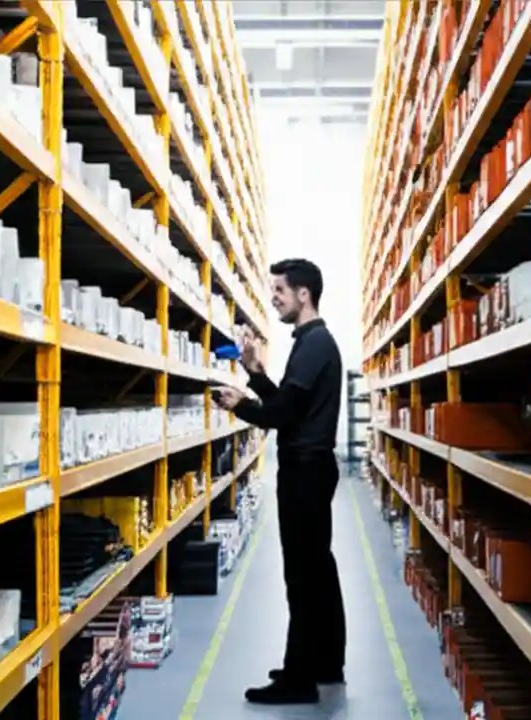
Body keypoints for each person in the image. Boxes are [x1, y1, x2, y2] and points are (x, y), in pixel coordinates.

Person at [213, 258, 346, 705]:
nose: (273, 297)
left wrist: (239, 404)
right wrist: (254, 373)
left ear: (303, 294)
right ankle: (325, 663)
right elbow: (288, 405)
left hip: (305, 471)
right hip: (309, 466)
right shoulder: (311, 342)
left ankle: (299, 679)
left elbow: (277, 415)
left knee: (303, 576)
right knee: (319, 571)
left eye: (279, 290)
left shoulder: (315, 344)